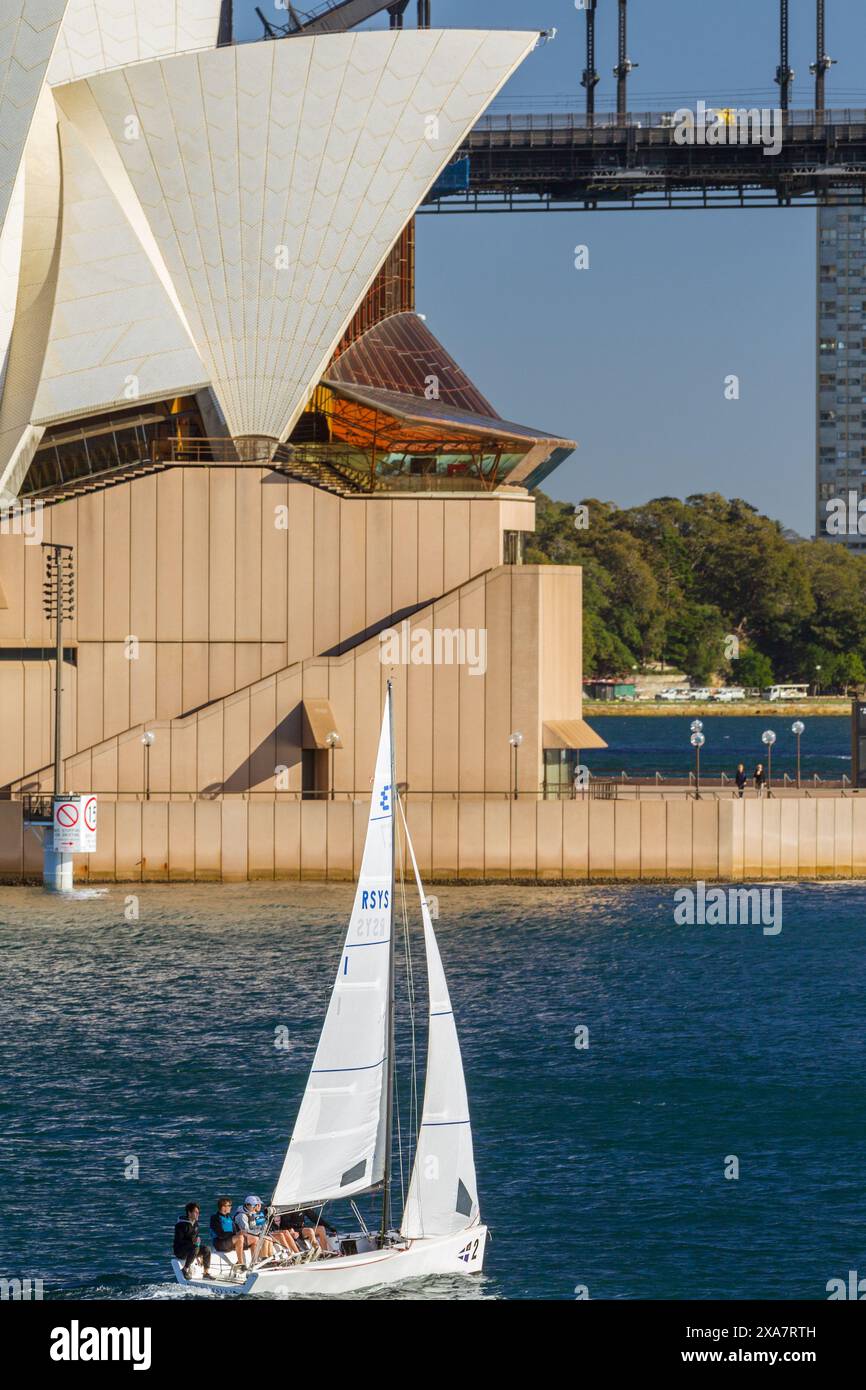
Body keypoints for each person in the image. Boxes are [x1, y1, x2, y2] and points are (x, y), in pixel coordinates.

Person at [233, 1195, 276, 1264]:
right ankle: (263, 1259)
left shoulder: (250, 1214)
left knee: (269, 1239)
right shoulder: (242, 1216)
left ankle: (270, 1259)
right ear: (251, 1206)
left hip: (249, 1236)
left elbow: (253, 1227)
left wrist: (261, 1228)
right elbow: (246, 1231)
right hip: (242, 1238)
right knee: (265, 1239)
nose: (258, 1207)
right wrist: (259, 1231)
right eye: (257, 1205)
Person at [173, 1202, 211, 1278]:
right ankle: (185, 1269)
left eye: (198, 1212)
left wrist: (197, 1255)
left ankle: (206, 1272)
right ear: (189, 1213)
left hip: (192, 1249)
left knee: (207, 1249)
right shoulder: (181, 1225)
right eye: (196, 1212)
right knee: (195, 1247)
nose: (198, 1214)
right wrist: (192, 1243)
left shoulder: (195, 1224)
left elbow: (196, 1239)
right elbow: (179, 1241)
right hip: (180, 1251)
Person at [210, 1196, 247, 1269]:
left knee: (254, 1239)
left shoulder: (229, 1217)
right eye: (229, 1205)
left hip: (229, 1241)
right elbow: (220, 1234)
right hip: (220, 1243)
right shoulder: (215, 1218)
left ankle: (255, 1262)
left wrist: (242, 1232)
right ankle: (240, 1264)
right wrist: (235, 1234)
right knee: (239, 1237)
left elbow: (236, 1230)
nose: (231, 1207)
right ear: (223, 1207)